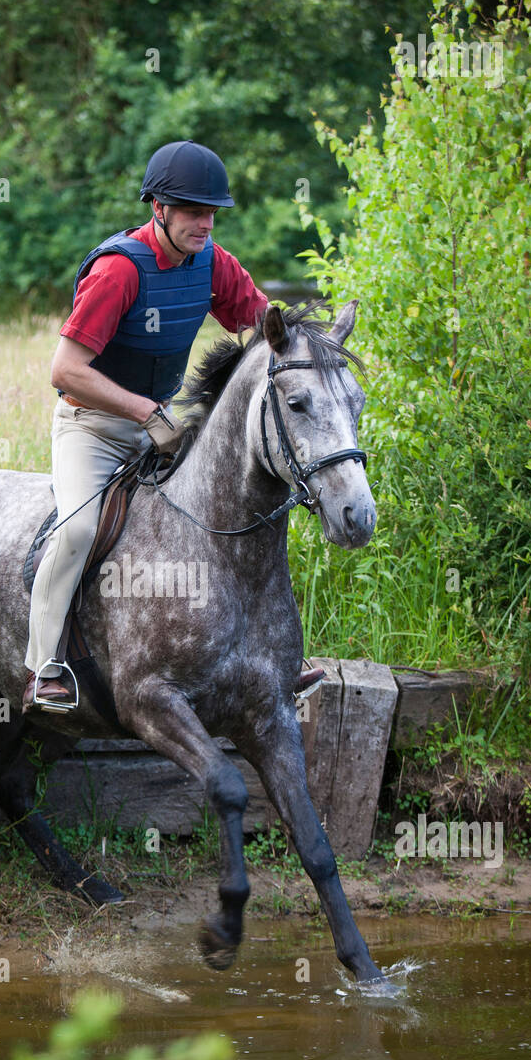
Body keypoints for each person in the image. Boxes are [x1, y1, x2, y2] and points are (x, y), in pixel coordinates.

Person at [22, 139, 324, 712]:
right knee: (80, 531)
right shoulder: (118, 271)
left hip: (162, 428)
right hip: (92, 429)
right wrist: (146, 413)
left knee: (235, 509)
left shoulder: (213, 264)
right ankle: (42, 665)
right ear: (158, 208)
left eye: (211, 213)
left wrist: (315, 350)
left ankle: (269, 654)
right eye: (192, 212)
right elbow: (65, 369)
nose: (205, 224)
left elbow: (265, 327)